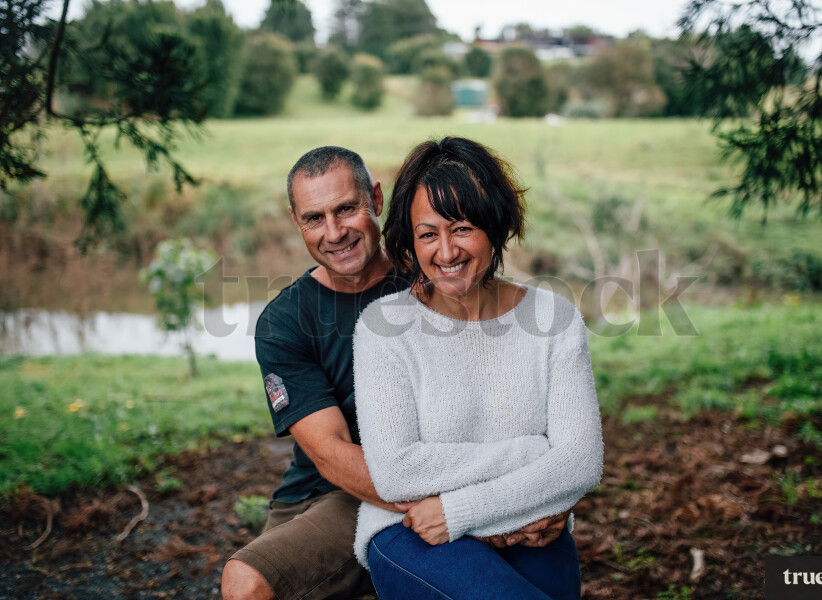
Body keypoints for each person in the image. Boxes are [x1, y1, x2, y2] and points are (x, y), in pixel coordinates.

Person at [221, 145, 573, 600]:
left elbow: (516, 403)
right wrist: (463, 511)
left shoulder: (437, 275)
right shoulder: (285, 321)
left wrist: (538, 497)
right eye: (314, 218)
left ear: (377, 200)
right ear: (295, 220)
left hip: (446, 470)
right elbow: (332, 454)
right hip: (341, 488)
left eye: (347, 209)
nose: (334, 232)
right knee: (245, 585)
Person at [352, 136, 604, 599]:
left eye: (462, 227)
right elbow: (396, 472)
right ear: (410, 241)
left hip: (525, 521)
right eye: (428, 234)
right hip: (412, 531)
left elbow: (582, 462)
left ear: (496, 223)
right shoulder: (382, 328)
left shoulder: (555, 320)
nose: (446, 252)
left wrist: (463, 509)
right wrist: (536, 454)